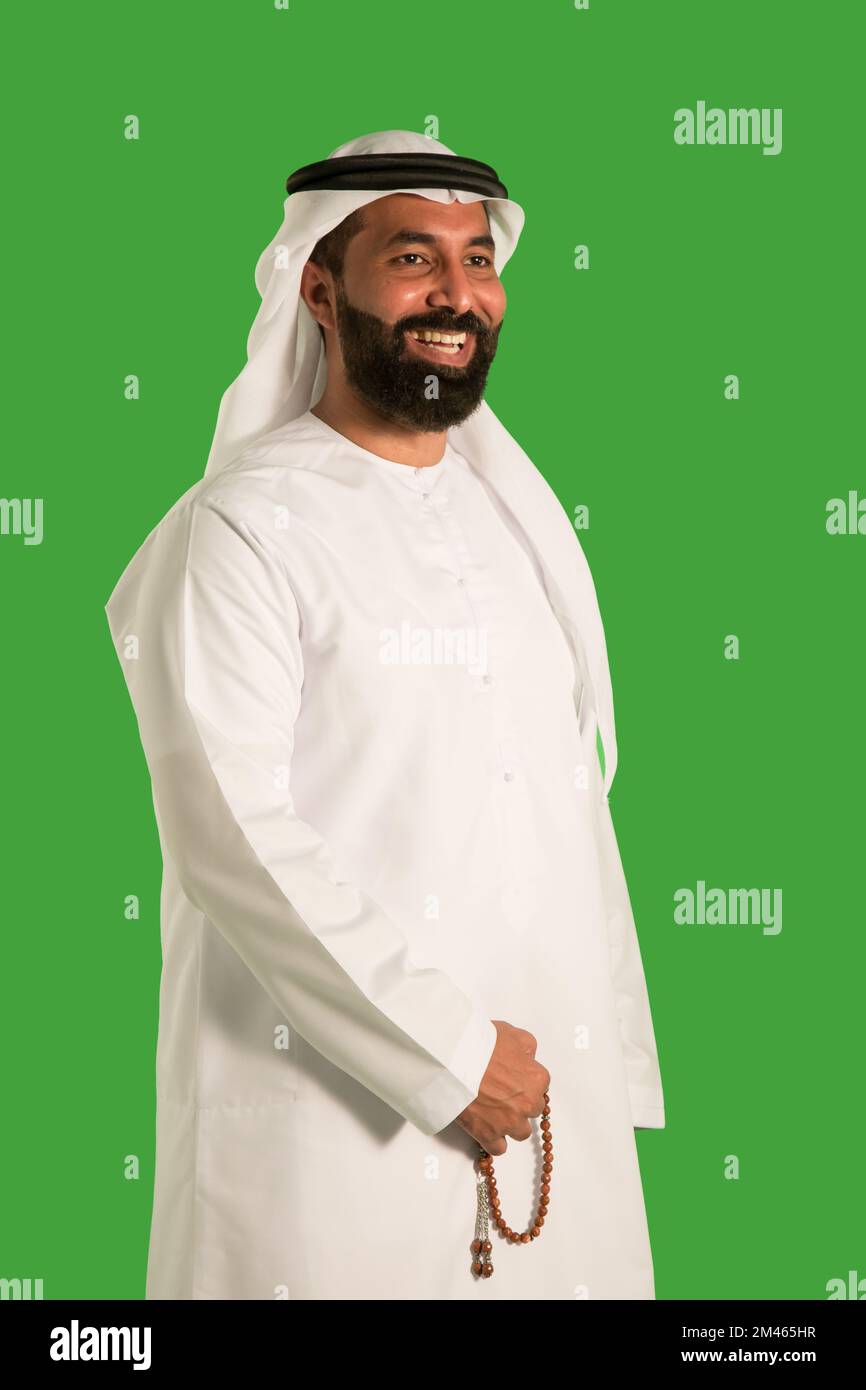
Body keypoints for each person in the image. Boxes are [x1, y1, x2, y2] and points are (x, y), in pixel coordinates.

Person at [104, 129, 665, 1300]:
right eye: (413, 258)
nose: (456, 295)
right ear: (318, 285)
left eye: (475, 259)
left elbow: (569, 812)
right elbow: (234, 835)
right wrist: (451, 1056)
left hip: (549, 1124)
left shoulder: (515, 525)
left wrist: (603, 1061)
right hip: (323, 1136)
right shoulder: (242, 530)